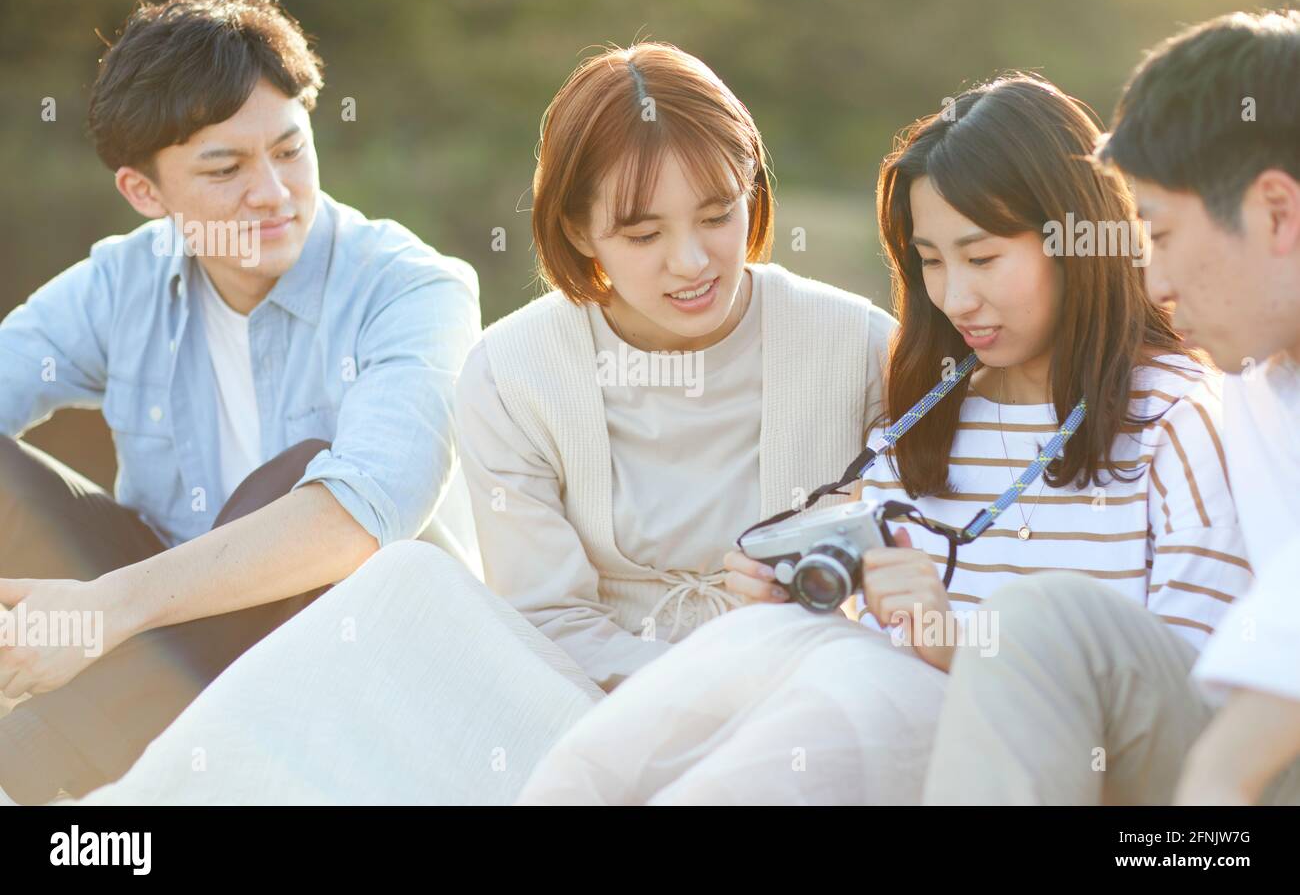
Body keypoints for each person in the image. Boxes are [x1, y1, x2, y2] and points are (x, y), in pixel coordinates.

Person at [77, 41, 898, 804]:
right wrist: (685, 695)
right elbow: (546, 617)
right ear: (579, 230)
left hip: (790, 706)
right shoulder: (516, 370)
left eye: (718, 215)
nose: (691, 262)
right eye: (643, 233)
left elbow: (923, 553)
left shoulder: (856, 347)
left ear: (753, 189)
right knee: (403, 587)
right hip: (583, 694)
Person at [516, 72, 1252, 805]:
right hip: (917, 746)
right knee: (759, 643)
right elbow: (875, 644)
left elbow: (1187, 700)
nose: (955, 298)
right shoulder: (921, 418)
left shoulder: (1177, 419)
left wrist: (951, 640)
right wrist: (796, 598)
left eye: (984, 257)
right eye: (930, 261)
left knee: (858, 682)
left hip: (1087, 775)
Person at [0, 0, 480, 805]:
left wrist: (104, 613)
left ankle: (40, 753)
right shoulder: (124, 280)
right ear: (145, 193)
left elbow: (367, 511)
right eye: (225, 168)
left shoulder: (412, 288)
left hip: (355, 651)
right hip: (159, 642)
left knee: (297, 478)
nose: (273, 192)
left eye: (291, 151)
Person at [923, 9, 1300, 806]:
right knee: (1040, 618)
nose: (1153, 283)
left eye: (1160, 236)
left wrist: (1219, 780)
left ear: (1276, 212)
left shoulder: (1188, 407)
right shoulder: (1252, 382)